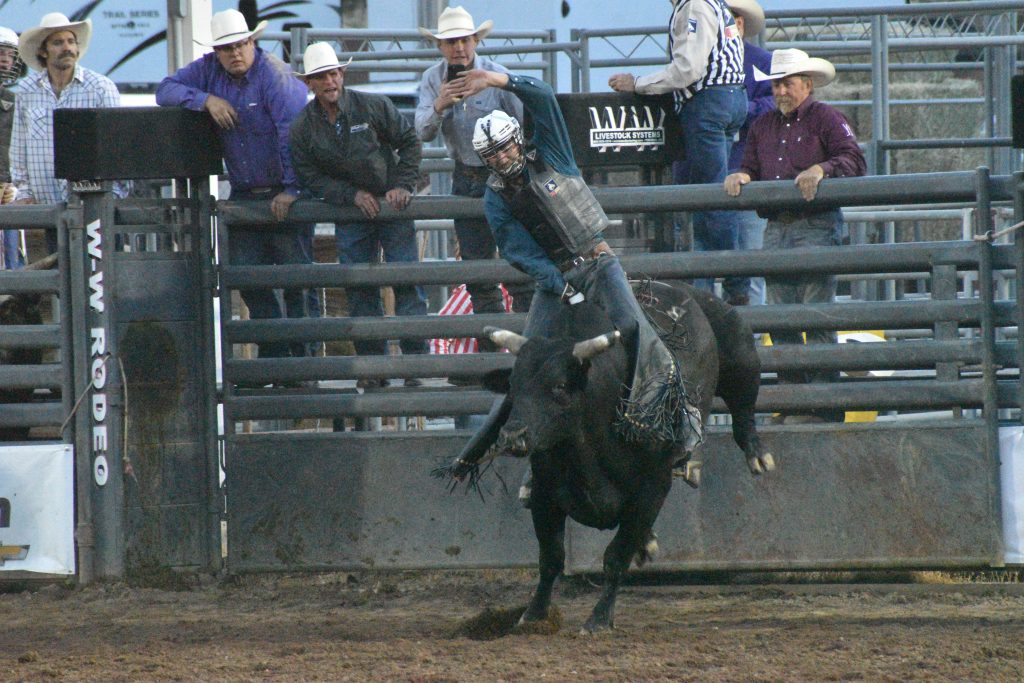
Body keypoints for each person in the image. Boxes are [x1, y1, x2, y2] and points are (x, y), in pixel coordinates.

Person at [447, 69, 704, 492]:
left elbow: (544, 97)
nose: (501, 157)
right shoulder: (494, 197)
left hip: (599, 262)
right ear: (484, 158)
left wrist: (500, 79)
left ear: (517, 139)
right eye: (491, 153)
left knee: (639, 333)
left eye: (504, 146)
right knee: (529, 361)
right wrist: (559, 284)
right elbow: (516, 249)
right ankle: (478, 454)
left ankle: (682, 429)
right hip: (558, 279)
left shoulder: (551, 152)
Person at [156, 9, 314, 363]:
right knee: (246, 276)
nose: (235, 53)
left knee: (296, 282)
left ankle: (301, 365)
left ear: (252, 42)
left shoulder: (274, 75)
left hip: (284, 190)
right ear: (217, 52)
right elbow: (163, 90)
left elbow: (291, 134)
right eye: (227, 48)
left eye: (241, 44)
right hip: (246, 191)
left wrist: (291, 188)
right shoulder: (209, 70)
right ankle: (278, 358)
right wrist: (205, 100)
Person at [723, 48, 867, 423]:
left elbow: (854, 160)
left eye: (787, 83)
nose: (781, 91)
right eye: (776, 84)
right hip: (779, 227)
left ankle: (818, 404)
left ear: (807, 84)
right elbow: (751, 166)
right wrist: (742, 175)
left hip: (815, 224)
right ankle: (797, 401)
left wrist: (822, 168)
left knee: (812, 315)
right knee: (784, 319)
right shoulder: (763, 126)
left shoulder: (827, 119)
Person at [289, 42, 427, 389]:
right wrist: (350, 195)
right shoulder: (303, 127)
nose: (330, 81)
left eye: (333, 73)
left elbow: (409, 142)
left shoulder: (372, 105)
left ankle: (415, 365)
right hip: (352, 210)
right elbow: (308, 175)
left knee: (405, 282)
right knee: (360, 289)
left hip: (388, 204)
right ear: (310, 83)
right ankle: (374, 367)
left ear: (342, 75)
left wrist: (401, 185)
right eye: (321, 77)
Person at [609, 0, 748, 305]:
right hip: (729, 96)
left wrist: (639, 83)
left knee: (710, 198)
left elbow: (689, 69)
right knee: (715, 195)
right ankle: (729, 282)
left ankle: (734, 284)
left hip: (707, 102)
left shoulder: (694, 7)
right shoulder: (715, 4)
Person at [415, 6, 529, 346]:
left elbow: (524, 123)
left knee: (520, 265)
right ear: (440, 47)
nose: (459, 48)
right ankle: (493, 352)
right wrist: (440, 104)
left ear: (475, 40)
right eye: (451, 42)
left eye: (464, 40)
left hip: (505, 176)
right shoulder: (433, 80)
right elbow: (421, 131)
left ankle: (526, 347)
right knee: (478, 272)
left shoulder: (497, 74)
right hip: (465, 177)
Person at [11, 13, 130, 256]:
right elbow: (19, 149)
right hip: (48, 212)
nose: (67, 48)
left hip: (95, 210)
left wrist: (111, 197)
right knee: (54, 287)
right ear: (43, 51)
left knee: (99, 285)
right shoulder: (26, 90)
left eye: (71, 41)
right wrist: (24, 195)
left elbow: (119, 148)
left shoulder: (100, 88)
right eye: (58, 42)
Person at [0, 26, 24, 269]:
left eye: (10, 54)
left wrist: (15, 184)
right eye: (0, 54)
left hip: (6, 189)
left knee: (11, 258)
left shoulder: (15, 101)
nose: (6, 61)